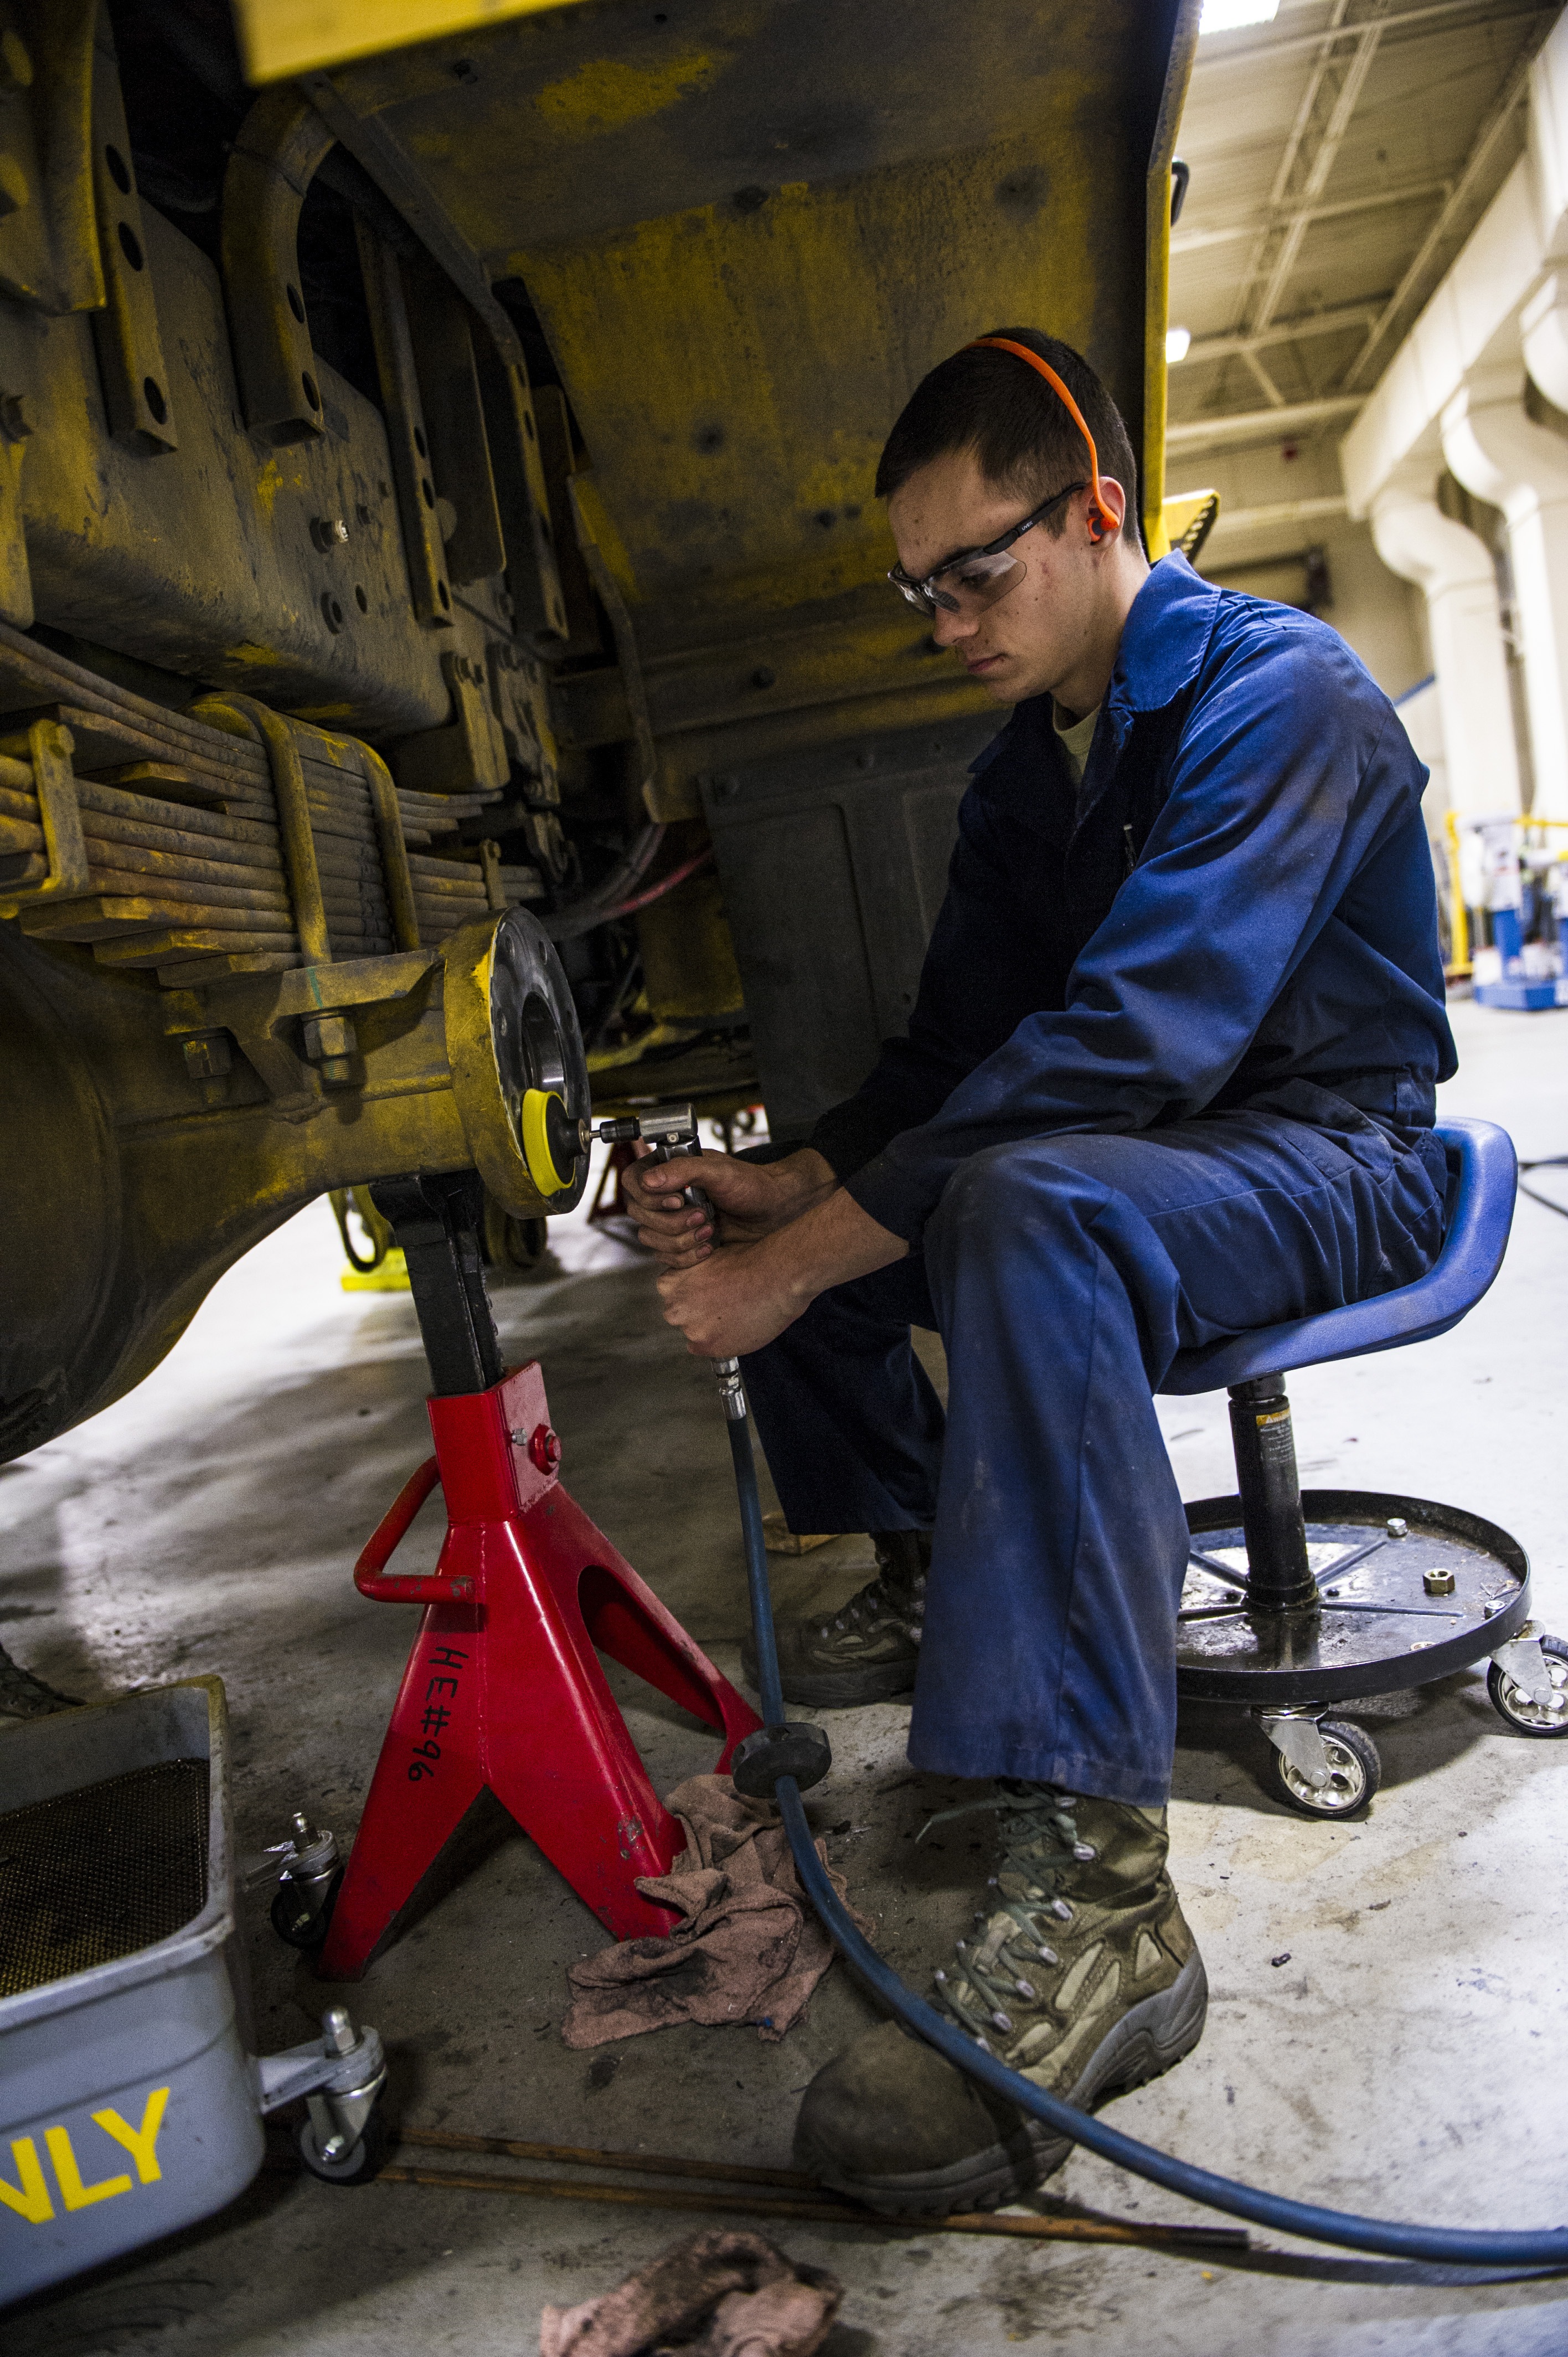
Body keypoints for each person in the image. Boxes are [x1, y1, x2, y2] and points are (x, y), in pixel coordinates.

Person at [625, 328, 1455, 2215]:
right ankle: (946, 1594)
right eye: (918, 590)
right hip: (1162, 1153)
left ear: (1098, 515)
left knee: (1011, 1207)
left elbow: (1127, 1048)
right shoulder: (1029, 771)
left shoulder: (1281, 695)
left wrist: (812, 1255)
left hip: (1338, 1151)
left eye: (976, 571)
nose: (944, 621)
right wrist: (793, 1189)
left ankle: (1103, 1903)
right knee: (905, 1194)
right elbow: (949, 1061)